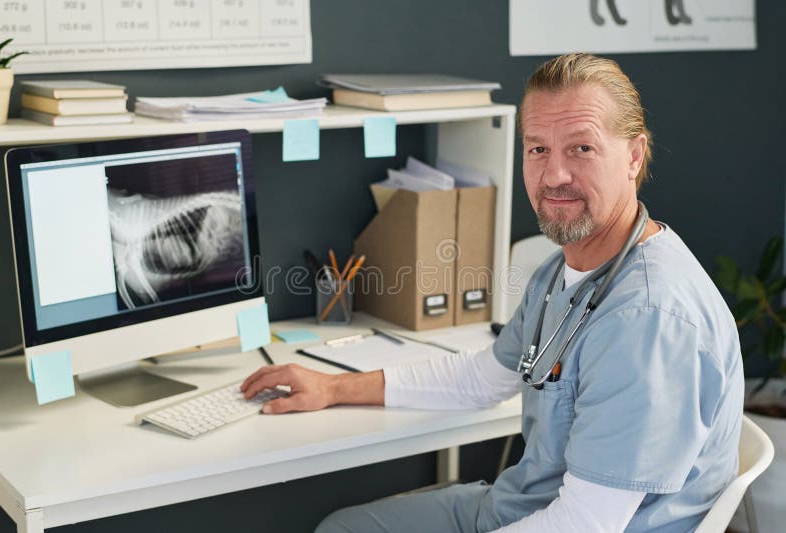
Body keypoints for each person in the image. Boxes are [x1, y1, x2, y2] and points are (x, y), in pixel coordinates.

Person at [240, 53, 743, 532]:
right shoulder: (564, 270)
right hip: (519, 509)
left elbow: (583, 526)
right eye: (538, 149)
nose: (554, 175)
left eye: (581, 149)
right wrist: (333, 388)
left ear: (633, 156)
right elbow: (482, 378)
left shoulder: (646, 319)